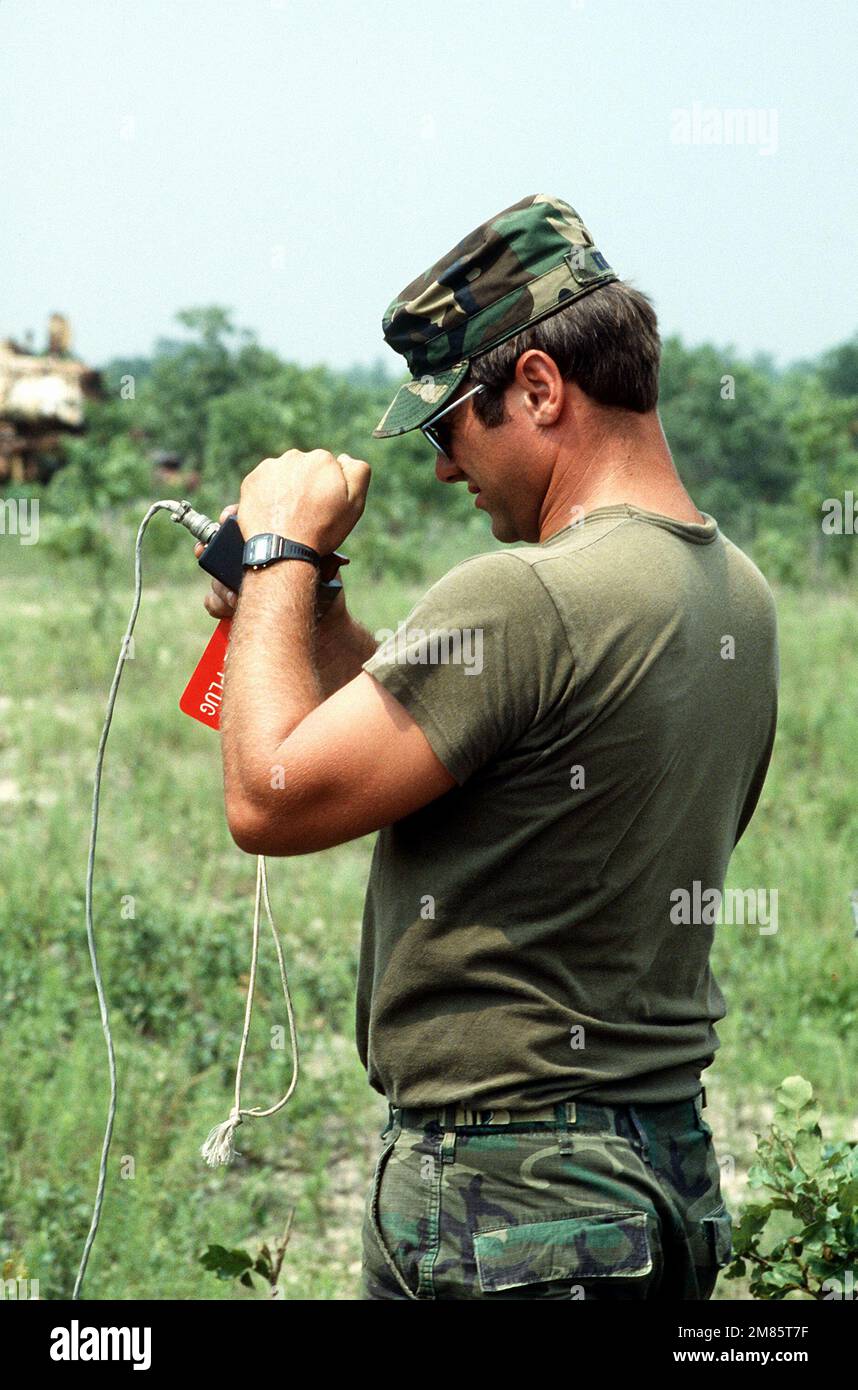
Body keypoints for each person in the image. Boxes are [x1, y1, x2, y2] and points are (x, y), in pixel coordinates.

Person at [197, 195, 779, 1300]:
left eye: (448, 426)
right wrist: (307, 602)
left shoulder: (525, 596)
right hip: (654, 1169)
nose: (444, 471)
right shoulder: (735, 592)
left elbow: (269, 802)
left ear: (540, 389)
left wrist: (278, 551)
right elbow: (449, 730)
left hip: (514, 1201)